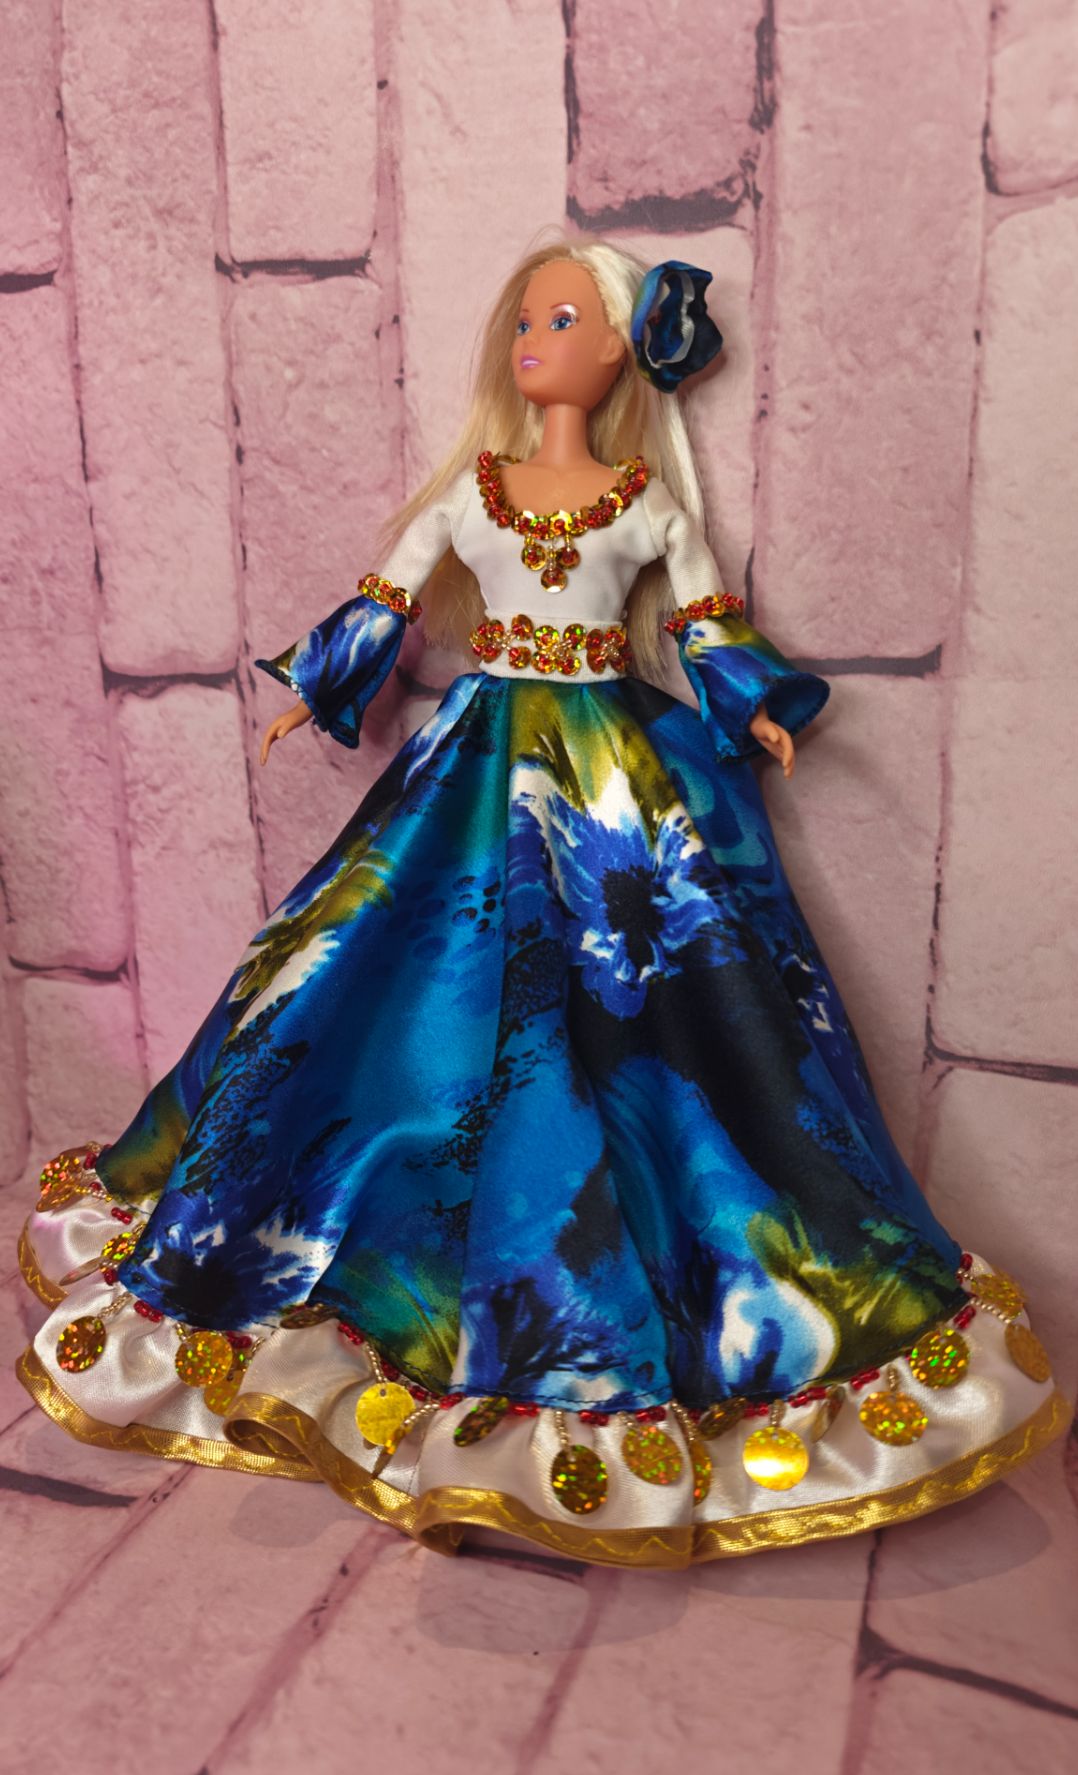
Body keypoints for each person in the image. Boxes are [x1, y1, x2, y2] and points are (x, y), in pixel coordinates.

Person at [15, 239, 1065, 1569]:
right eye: (523, 319)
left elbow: (705, 627)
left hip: (609, 776)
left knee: (646, 1014)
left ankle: (587, 1305)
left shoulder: (644, 503)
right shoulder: (476, 489)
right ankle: (346, 1253)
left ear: (619, 347)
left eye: (561, 319)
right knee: (371, 979)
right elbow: (386, 599)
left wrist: (758, 713)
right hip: (470, 768)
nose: (532, 340)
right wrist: (319, 689)